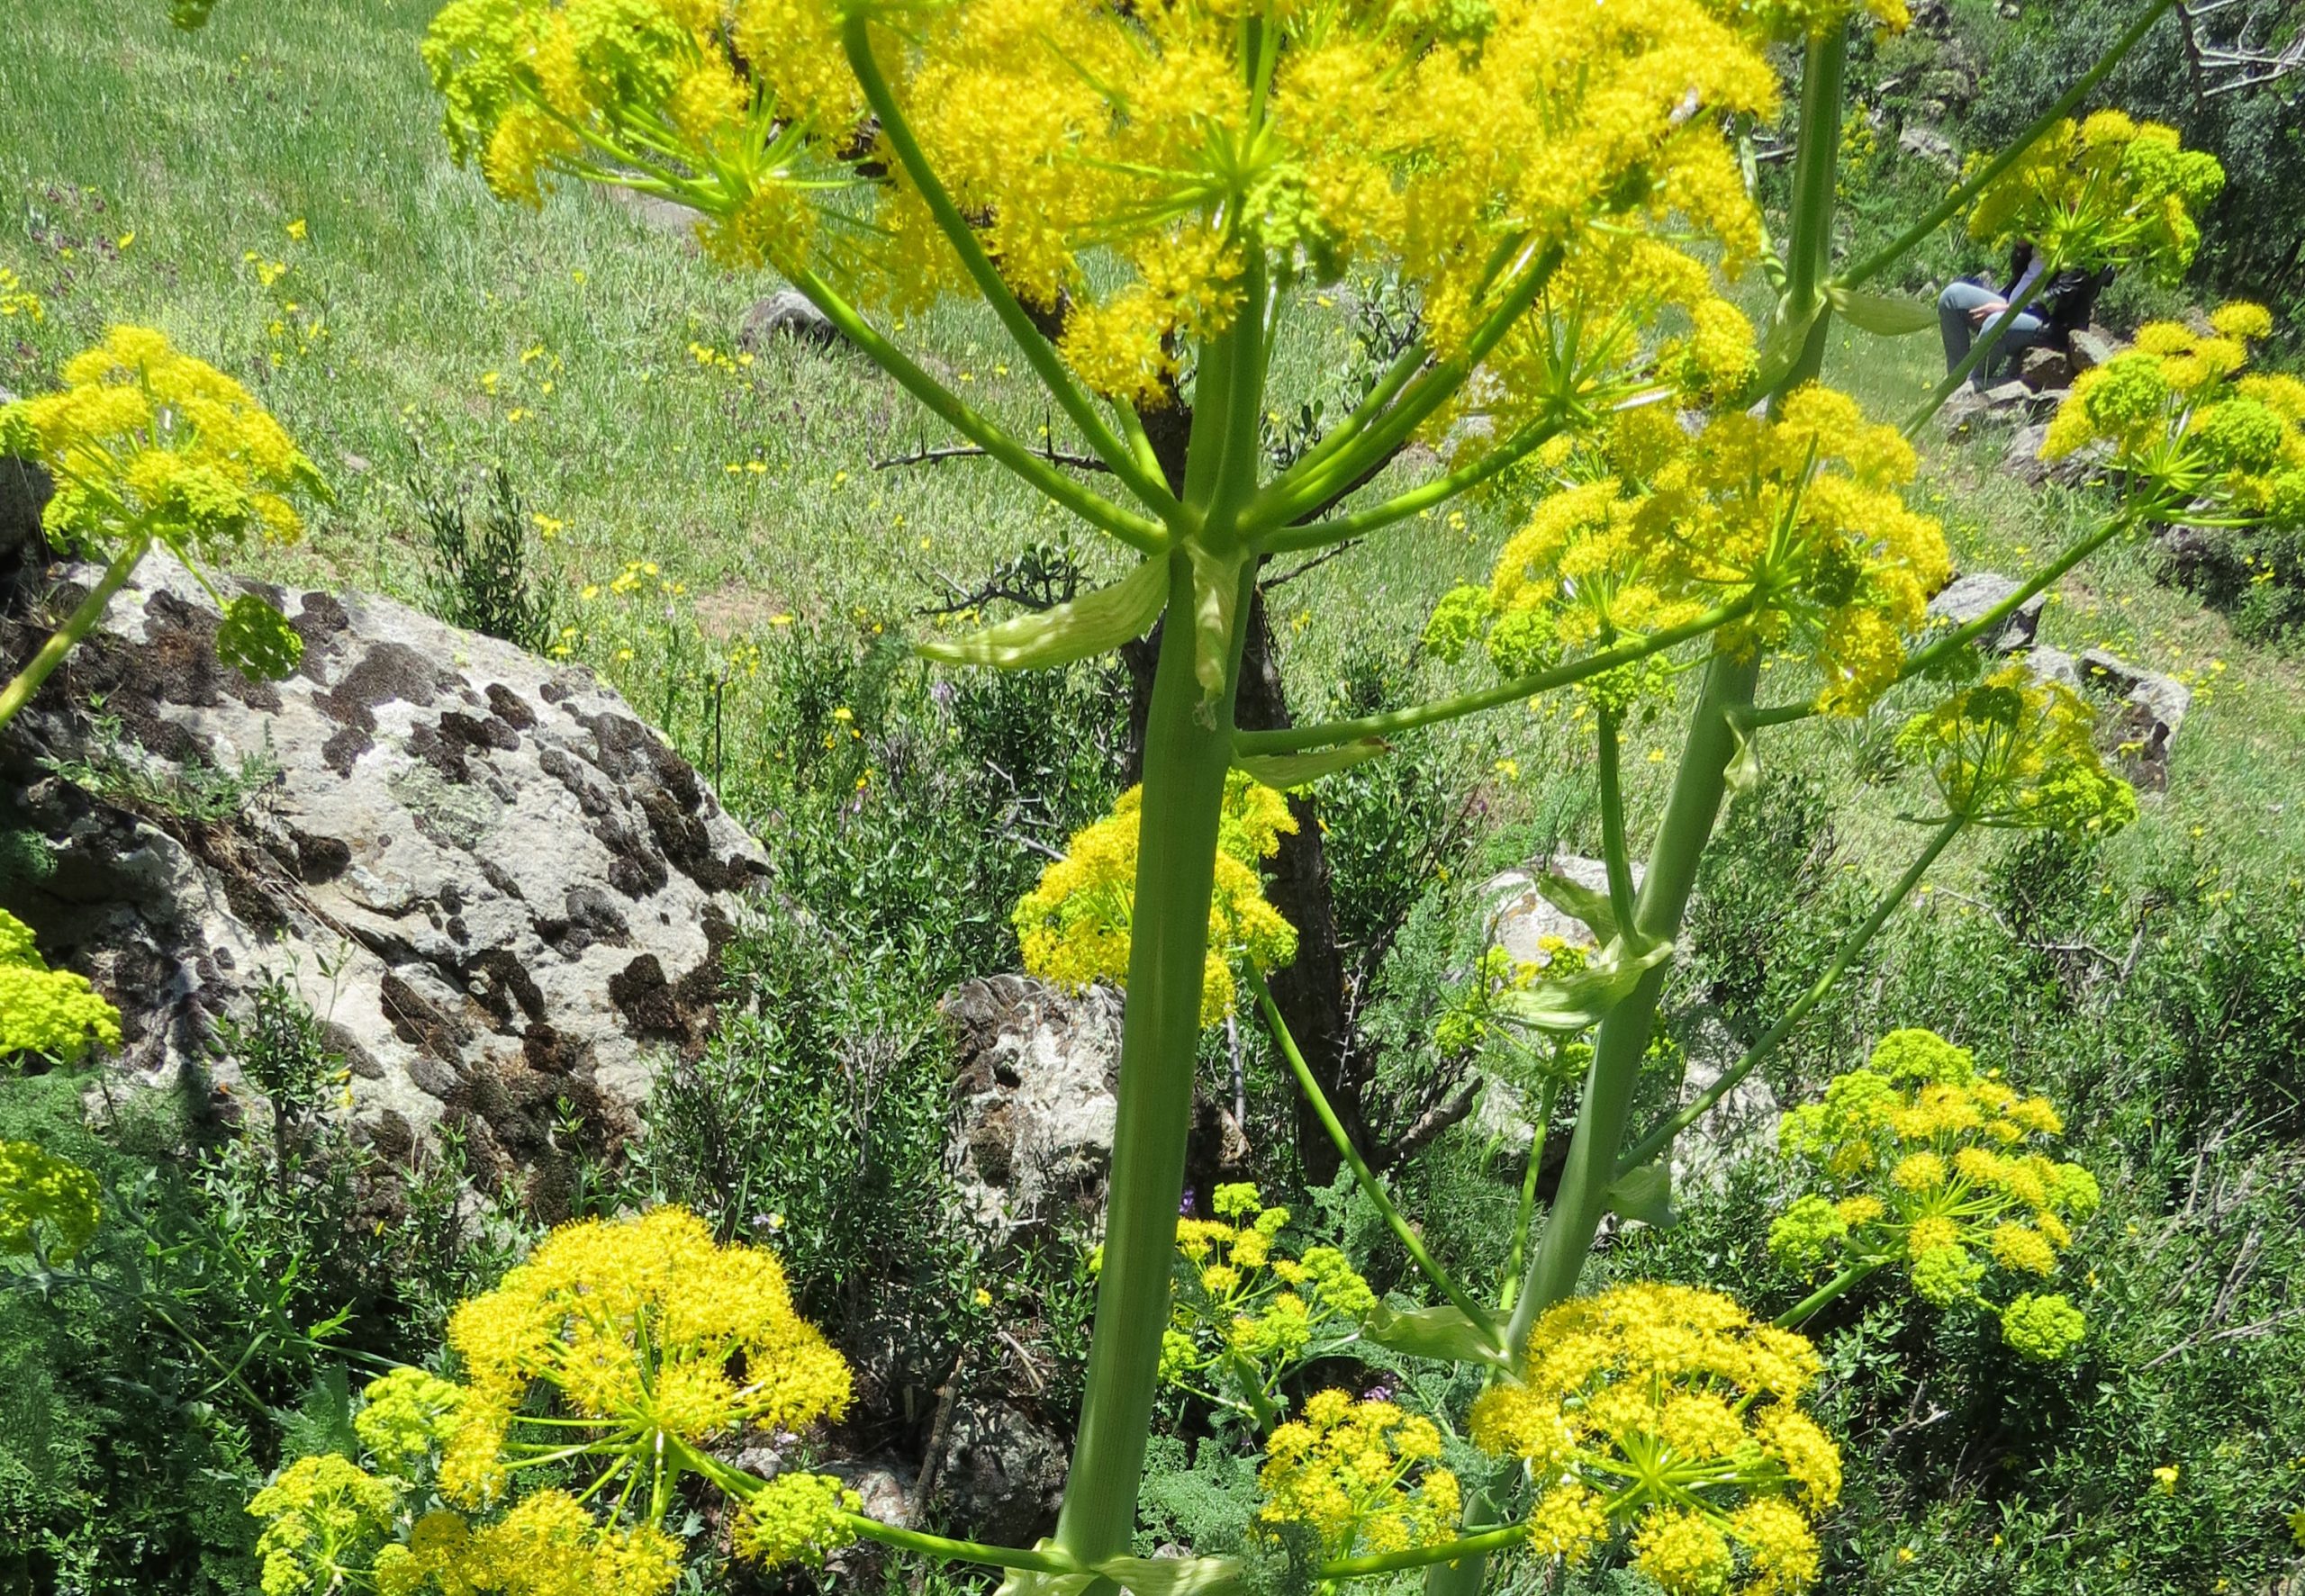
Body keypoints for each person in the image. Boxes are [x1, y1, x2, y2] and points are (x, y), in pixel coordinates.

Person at [1937, 240, 2113, 389]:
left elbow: (2060, 297)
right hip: (2011, 305)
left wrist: (2009, 310)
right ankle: (1955, 383)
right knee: (1951, 298)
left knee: (1995, 323)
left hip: (2050, 325)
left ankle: (1971, 389)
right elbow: (2022, 272)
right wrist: (2021, 248)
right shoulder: (2048, 222)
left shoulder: (2089, 243)